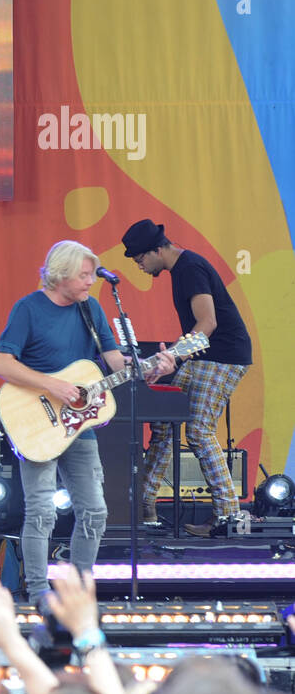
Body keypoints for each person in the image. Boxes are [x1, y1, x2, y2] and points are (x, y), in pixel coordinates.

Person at [0, 240, 172, 605]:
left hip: (80, 426)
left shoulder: (91, 309)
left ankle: (79, 592)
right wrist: (52, 384)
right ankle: (39, 591)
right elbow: (1, 364)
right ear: (61, 275)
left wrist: (152, 369)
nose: (91, 281)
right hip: (36, 422)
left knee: (95, 510)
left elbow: (117, 362)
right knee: (41, 510)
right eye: (85, 275)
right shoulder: (28, 309)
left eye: (92, 274)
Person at [121, 219, 252, 535]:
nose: (139, 266)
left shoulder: (190, 268)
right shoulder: (180, 270)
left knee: (198, 430)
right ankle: (143, 505)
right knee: (164, 421)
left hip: (223, 357)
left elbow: (207, 324)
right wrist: (169, 358)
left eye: (140, 259)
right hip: (204, 358)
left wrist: (173, 357)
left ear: (157, 249)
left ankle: (228, 516)